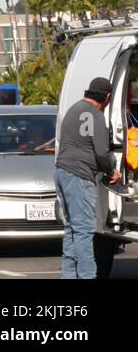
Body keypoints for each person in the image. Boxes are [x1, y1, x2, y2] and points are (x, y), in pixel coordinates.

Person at [55, 77, 121, 279]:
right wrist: (112, 172)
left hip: (61, 171)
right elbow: (101, 153)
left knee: (72, 229)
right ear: (107, 97)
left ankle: (68, 275)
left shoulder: (74, 109)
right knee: (83, 231)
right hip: (79, 175)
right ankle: (87, 276)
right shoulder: (96, 114)